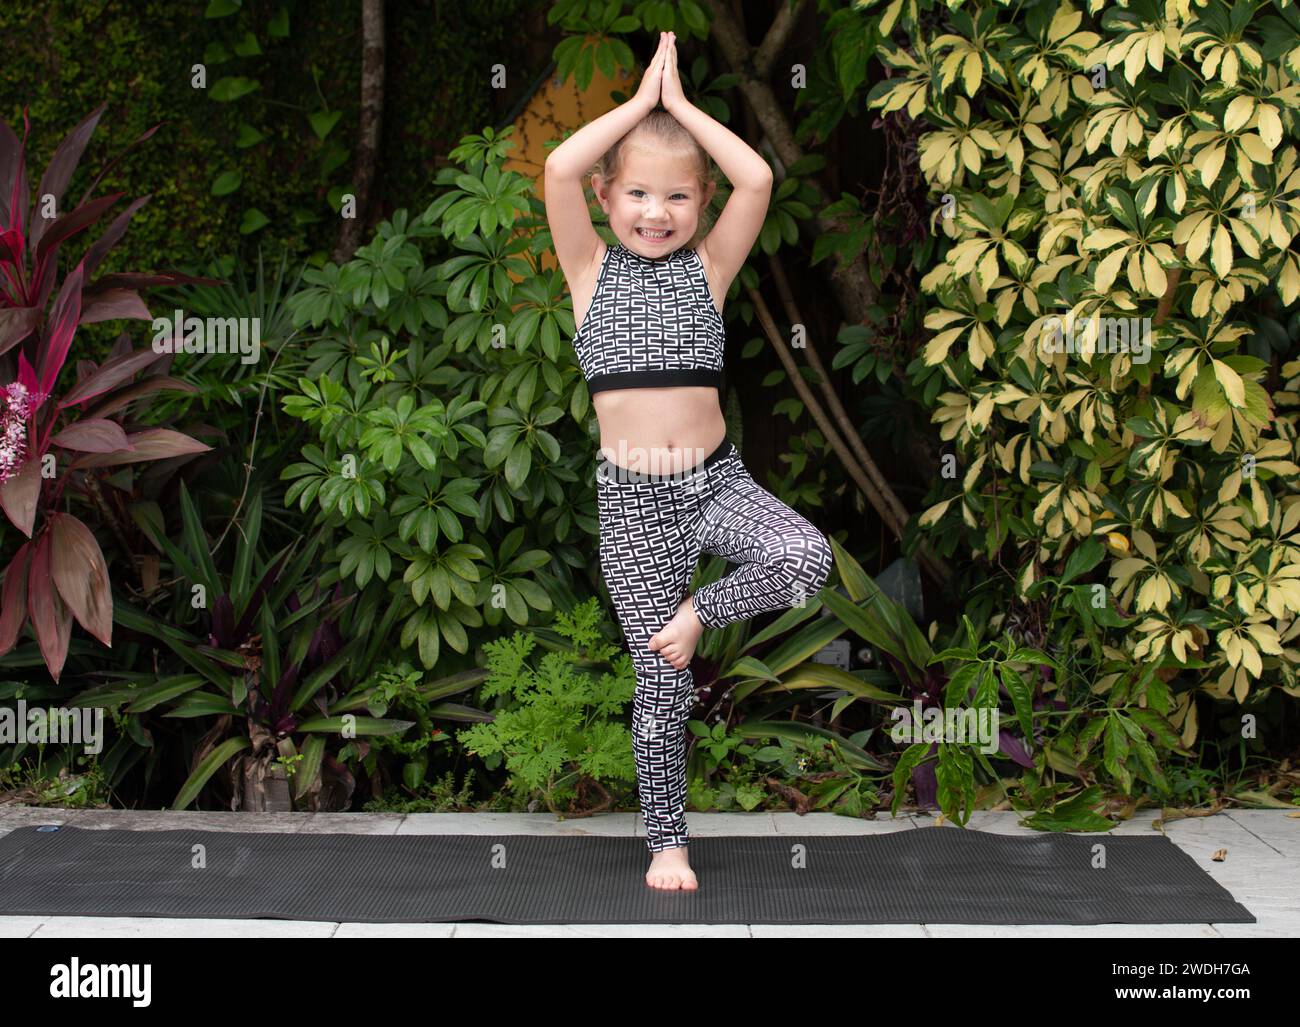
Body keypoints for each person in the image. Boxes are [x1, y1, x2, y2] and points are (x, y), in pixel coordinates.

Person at [544, 31, 833, 891]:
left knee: (807, 557)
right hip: (634, 506)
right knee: (661, 684)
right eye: (636, 192)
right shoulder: (588, 270)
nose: (655, 211)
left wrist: (687, 112)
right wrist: (639, 106)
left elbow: (760, 180)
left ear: (700, 203)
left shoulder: (708, 269)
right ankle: (666, 843)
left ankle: (700, 611)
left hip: (715, 486)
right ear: (608, 196)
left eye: (676, 196)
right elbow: (558, 170)